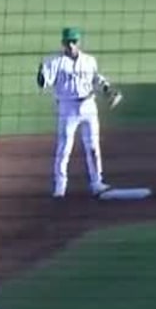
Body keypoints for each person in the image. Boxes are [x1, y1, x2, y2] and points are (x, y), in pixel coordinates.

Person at [38, 27, 121, 198]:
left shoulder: (89, 60)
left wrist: (107, 89)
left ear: (78, 42)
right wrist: (40, 74)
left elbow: (96, 79)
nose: (71, 45)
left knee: (93, 146)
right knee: (64, 148)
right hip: (67, 108)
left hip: (89, 106)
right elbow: (44, 82)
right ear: (63, 43)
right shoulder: (54, 62)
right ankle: (60, 187)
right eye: (68, 41)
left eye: (74, 41)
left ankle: (97, 183)